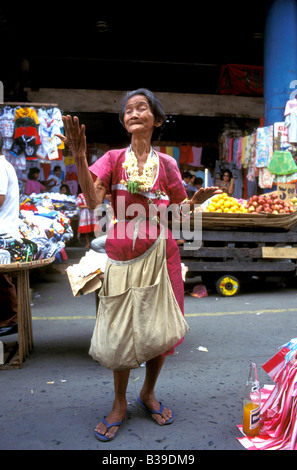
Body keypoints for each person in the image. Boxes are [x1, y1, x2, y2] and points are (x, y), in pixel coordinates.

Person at [56, 88, 221, 442]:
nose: (133, 113)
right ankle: (119, 403)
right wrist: (80, 158)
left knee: (158, 331)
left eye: (141, 108)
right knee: (120, 333)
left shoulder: (169, 165)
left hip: (162, 255)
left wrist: (194, 202)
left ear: (156, 120)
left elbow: (179, 214)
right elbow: (91, 200)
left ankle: (147, 393)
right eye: (128, 110)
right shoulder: (113, 159)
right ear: (124, 121)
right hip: (121, 254)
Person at [0, 134, 19, 334]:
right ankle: (10, 318)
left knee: (2, 277)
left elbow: (0, 198)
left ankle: (10, 319)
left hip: (2, 230)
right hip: (6, 228)